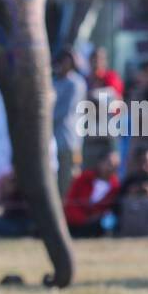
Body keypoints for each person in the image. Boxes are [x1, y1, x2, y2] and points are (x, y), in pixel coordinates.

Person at [52, 48, 87, 198]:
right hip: (51, 140)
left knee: (68, 178)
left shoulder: (76, 83)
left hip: (69, 139)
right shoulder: (53, 81)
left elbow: (64, 110)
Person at [64, 151, 121, 237]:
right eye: (109, 163)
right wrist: (84, 220)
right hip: (75, 224)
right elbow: (70, 203)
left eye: (115, 165)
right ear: (100, 163)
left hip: (98, 227)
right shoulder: (83, 178)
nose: (112, 167)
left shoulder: (116, 187)